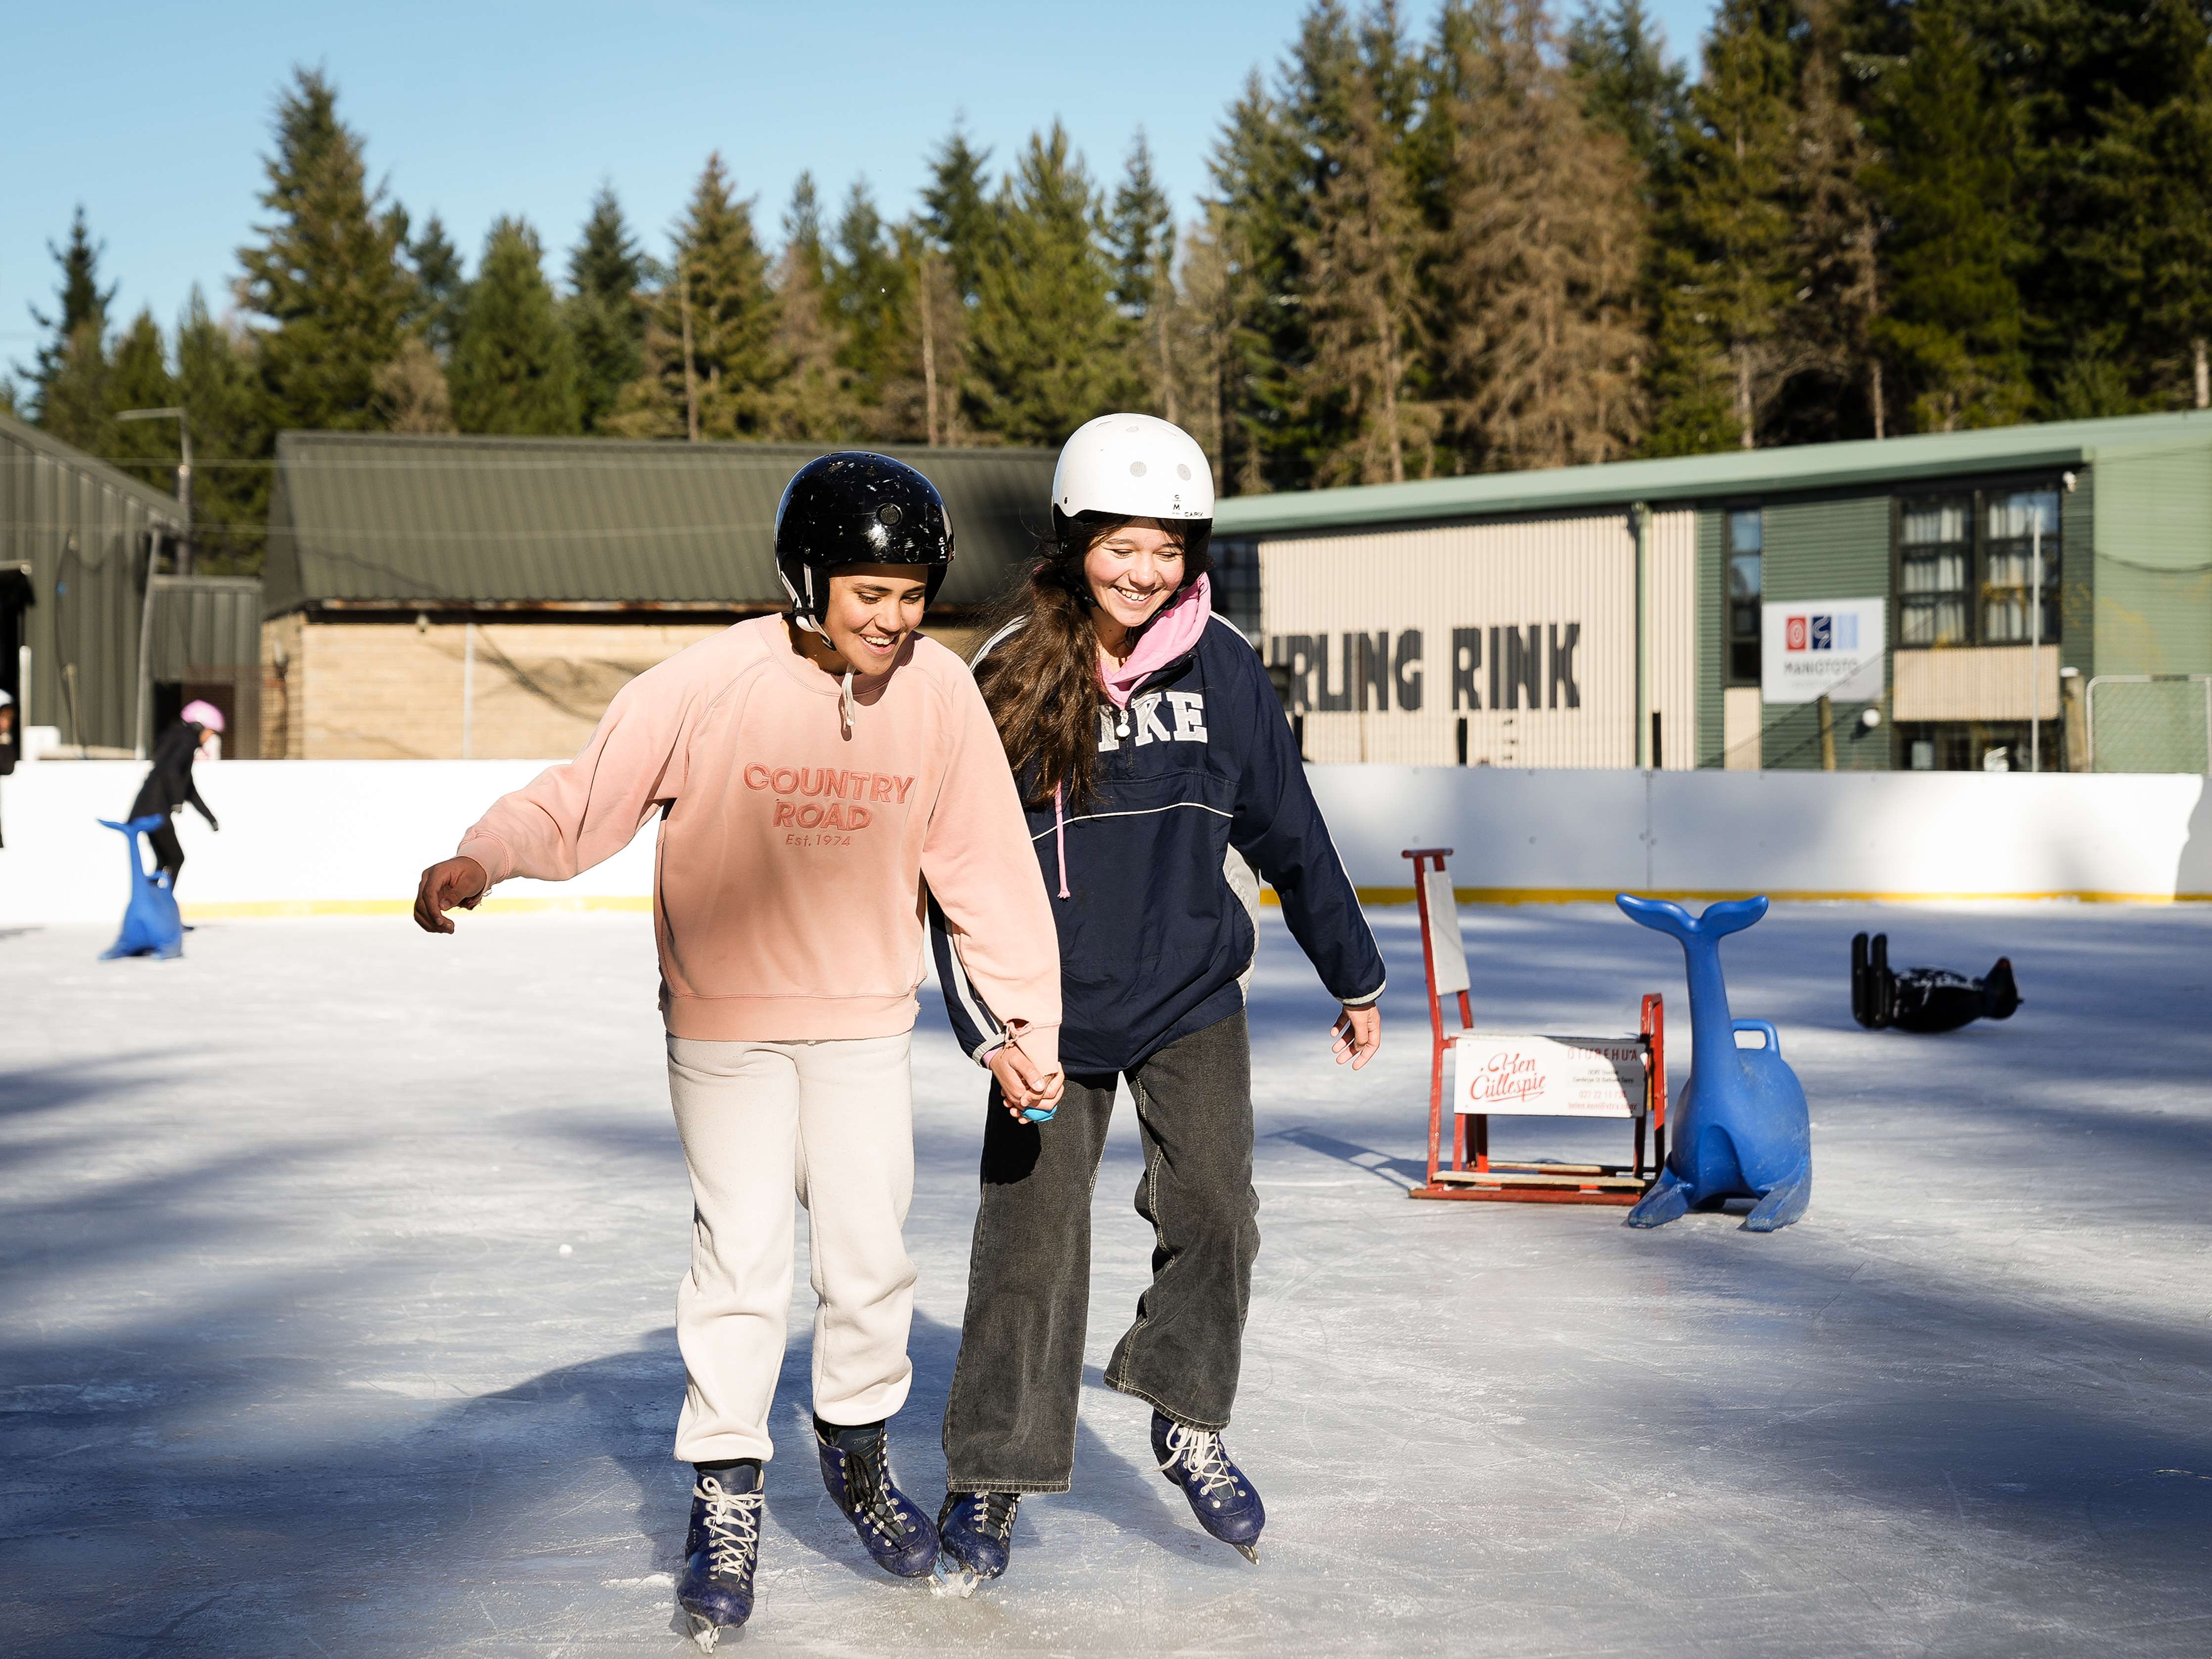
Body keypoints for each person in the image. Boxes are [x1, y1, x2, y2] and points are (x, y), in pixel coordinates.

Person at [411, 454, 1063, 1647]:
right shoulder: (706, 684)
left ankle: (855, 1452)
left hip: (863, 1021)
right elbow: (581, 800)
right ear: (806, 580)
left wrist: (1026, 1027)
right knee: (741, 1261)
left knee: (869, 1261)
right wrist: (483, 857)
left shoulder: (938, 697)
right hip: (725, 1028)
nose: (894, 619)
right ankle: (725, 1494)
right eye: (870, 593)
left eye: (913, 595)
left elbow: (985, 869)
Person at [930, 414, 1386, 1585]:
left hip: (1189, 995)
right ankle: (990, 1474)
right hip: (1047, 1015)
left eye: (1167, 549)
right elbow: (952, 866)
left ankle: (1186, 1415)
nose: (1143, 572)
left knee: (1217, 1212)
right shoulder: (1008, 671)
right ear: (1073, 539)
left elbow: (1287, 825)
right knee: (1028, 1250)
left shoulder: (1222, 665)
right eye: (1120, 546)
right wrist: (990, 1033)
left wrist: (1352, 972)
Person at [130, 699, 223, 886]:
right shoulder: (186, 742)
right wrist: (176, 801)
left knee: (165, 860)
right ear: (198, 726)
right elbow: (170, 770)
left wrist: (210, 818)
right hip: (155, 812)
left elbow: (189, 790)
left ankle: (153, 895)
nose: (209, 739)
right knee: (176, 858)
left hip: (147, 809)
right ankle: (161, 898)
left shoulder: (179, 741)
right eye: (210, 732)